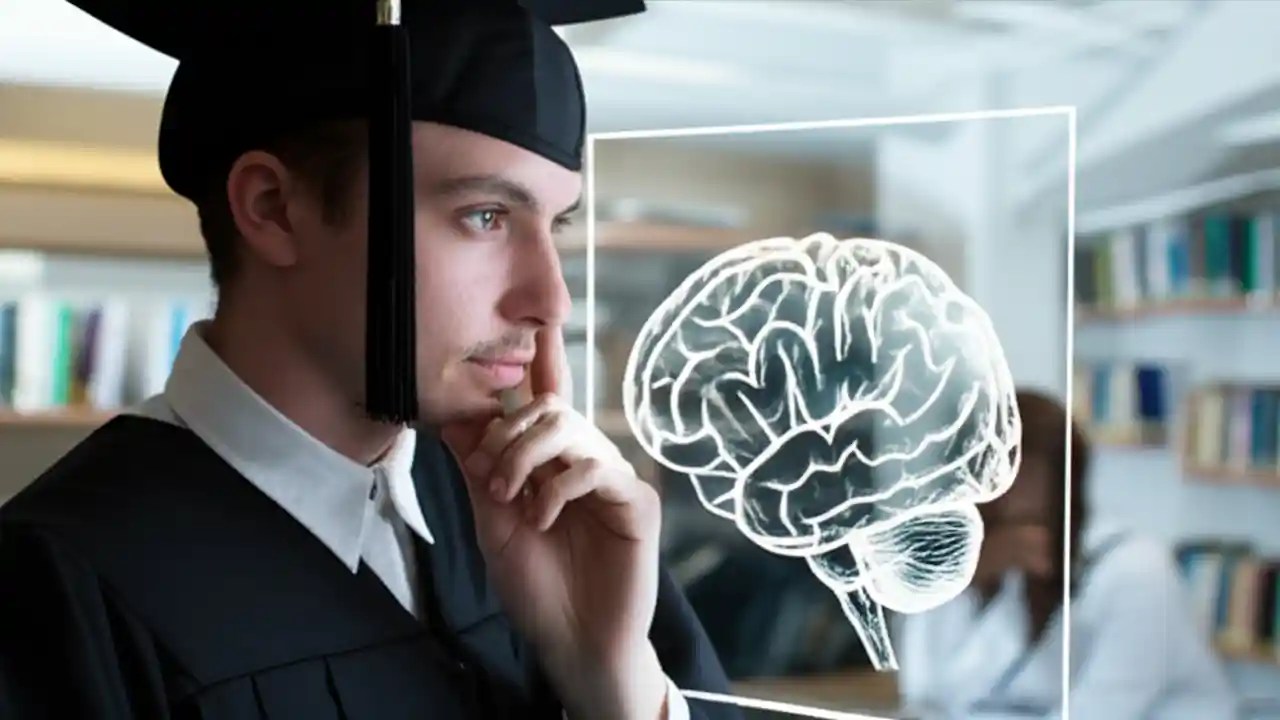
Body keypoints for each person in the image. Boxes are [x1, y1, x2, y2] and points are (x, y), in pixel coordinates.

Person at [0, 1, 741, 718]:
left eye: (556, 224)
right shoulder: (58, 588)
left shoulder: (543, 519)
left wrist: (611, 682)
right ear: (272, 209)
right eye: (485, 217)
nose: (552, 300)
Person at [895, 388, 1239, 720]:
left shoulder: (1137, 573)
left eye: (1023, 479)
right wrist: (959, 577)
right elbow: (929, 694)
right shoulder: (1011, 573)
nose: (1007, 500)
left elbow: (1099, 711)